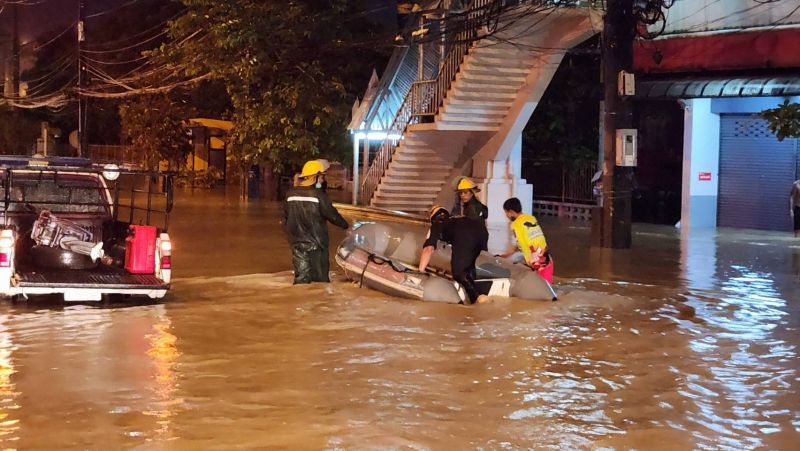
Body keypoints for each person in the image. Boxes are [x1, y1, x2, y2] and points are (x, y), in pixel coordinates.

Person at [284, 160, 349, 284]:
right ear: (315, 177)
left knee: (301, 281)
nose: (323, 180)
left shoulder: (289, 194)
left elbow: (286, 218)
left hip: (297, 244)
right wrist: (345, 226)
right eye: (322, 176)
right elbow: (332, 215)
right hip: (317, 245)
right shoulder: (318, 195)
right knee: (319, 284)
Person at [419, 206, 489, 305]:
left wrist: (420, 272)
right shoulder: (454, 220)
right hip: (481, 230)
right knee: (471, 266)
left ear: (433, 217)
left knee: (458, 272)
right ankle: (479, 293)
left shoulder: (437, 223)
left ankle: (478, 298)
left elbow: (428, 249)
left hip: (465, 234)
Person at [498, 197, 554, 284]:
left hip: (537, 263)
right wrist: (505, 255)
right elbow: (527, 241)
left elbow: (522, 244)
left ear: (511, 212)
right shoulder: (531, 218)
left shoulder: (515, 225)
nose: (506, 215)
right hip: (547, 260)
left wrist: (528, 262)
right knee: (547, 289)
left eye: (506, 212)